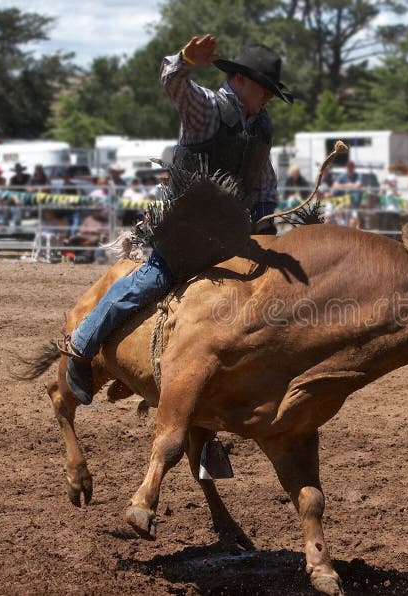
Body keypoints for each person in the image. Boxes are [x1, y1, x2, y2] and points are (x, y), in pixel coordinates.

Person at [57, 33, 293, 405]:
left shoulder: (260, 127)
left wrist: (265, 230)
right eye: (264, 88)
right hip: (183, 230)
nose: (267, 96)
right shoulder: (209, 110)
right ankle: (82, 347)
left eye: (270, 90)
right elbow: (174, 83)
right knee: (149, 282)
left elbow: (263, 180)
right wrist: (183, 59)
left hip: (231, 234)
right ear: (240, 80)